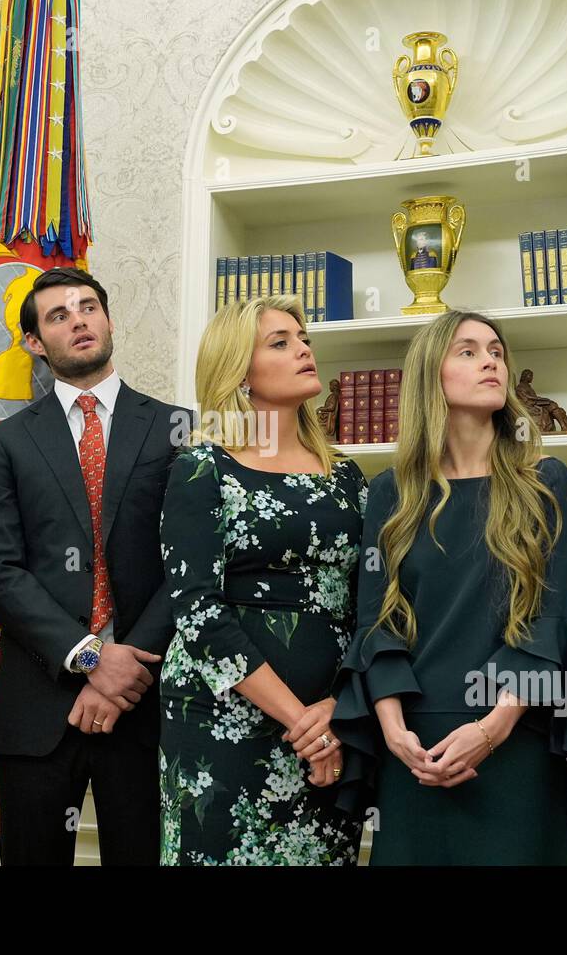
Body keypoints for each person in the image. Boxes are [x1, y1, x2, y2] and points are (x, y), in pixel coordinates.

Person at [331, 311, 567, 864]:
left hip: (515, 736)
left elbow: (551, 620)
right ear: (429, 376)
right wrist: (392, 731)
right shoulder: (390, 492)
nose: (490, 360)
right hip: (414, 746)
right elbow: (375, 624)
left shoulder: (547, 480)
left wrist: (490, 730)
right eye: (467, 351)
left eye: (496, 351)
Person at [0, 267, 187, 865]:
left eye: (88, 307)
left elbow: (191, 564)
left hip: (148, 704)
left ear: (109, 318)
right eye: (59, 315)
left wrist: (127, 667)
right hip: (39, 705)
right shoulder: (6, 442)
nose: (79, 321)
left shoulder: (175, 427)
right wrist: (92, 658)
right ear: (35, 343)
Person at [158, 295, 366, 865]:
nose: (303, 348)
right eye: (280, 341)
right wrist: (300, 720)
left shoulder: (347, 476)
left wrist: (337, 710)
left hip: (331, 725)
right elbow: (196, 610)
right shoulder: (202, 466)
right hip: (221, 720)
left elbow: (373, 605)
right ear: (238, 370)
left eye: (303, 339)